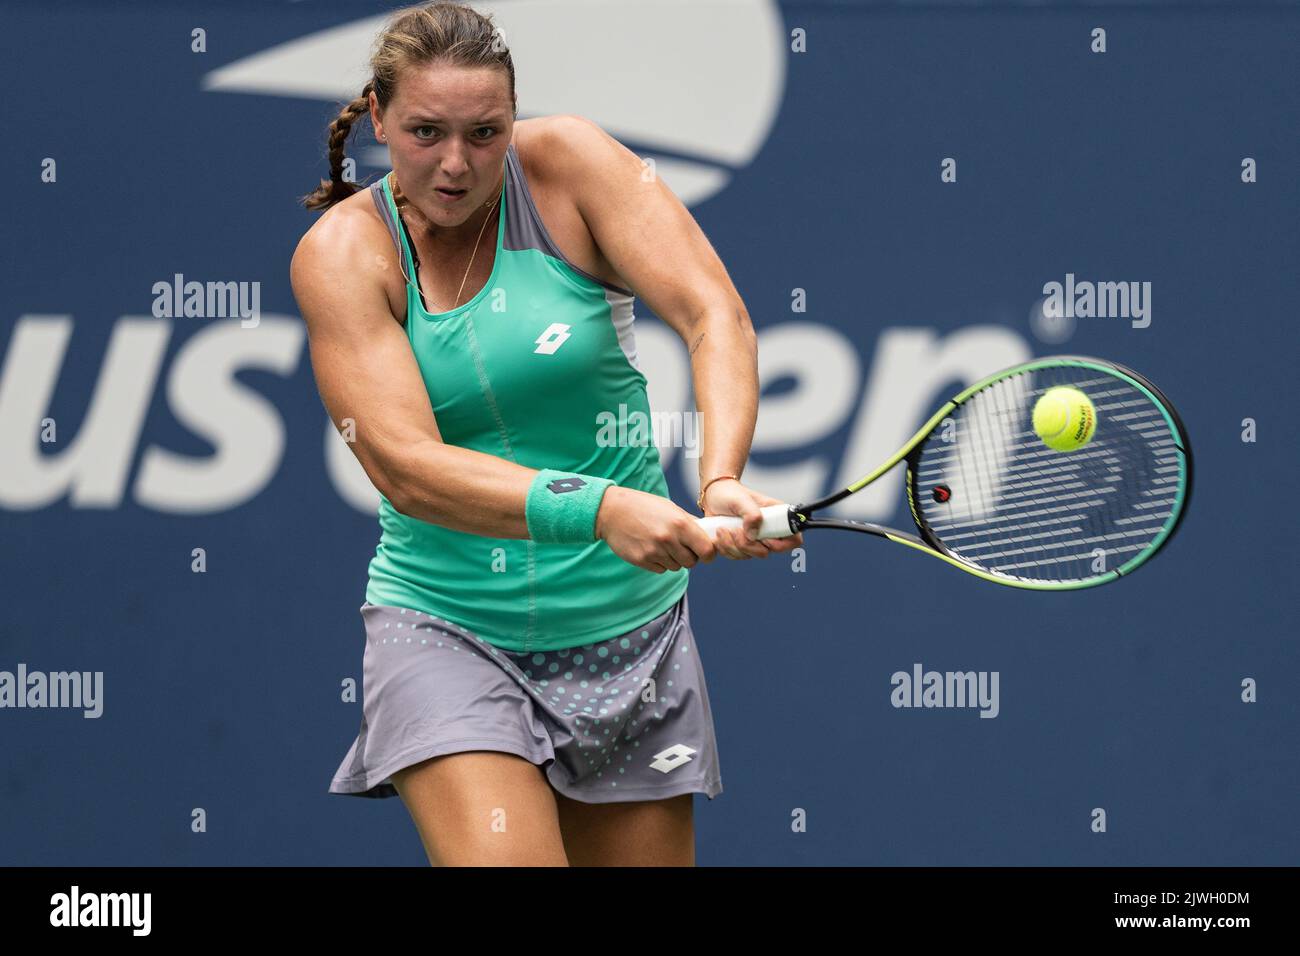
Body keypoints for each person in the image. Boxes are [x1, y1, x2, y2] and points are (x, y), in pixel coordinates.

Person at [290, 1, 802, 866]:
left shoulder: (570, 166)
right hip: (449, 628)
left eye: (485, 133)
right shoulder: (343, 254)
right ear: (376, 116)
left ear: (514, 119)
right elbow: (406, 469)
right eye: (425, 132)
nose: (456, 164)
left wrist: (719, 479)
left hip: (632, 635)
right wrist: (599, 508)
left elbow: (714, 313)